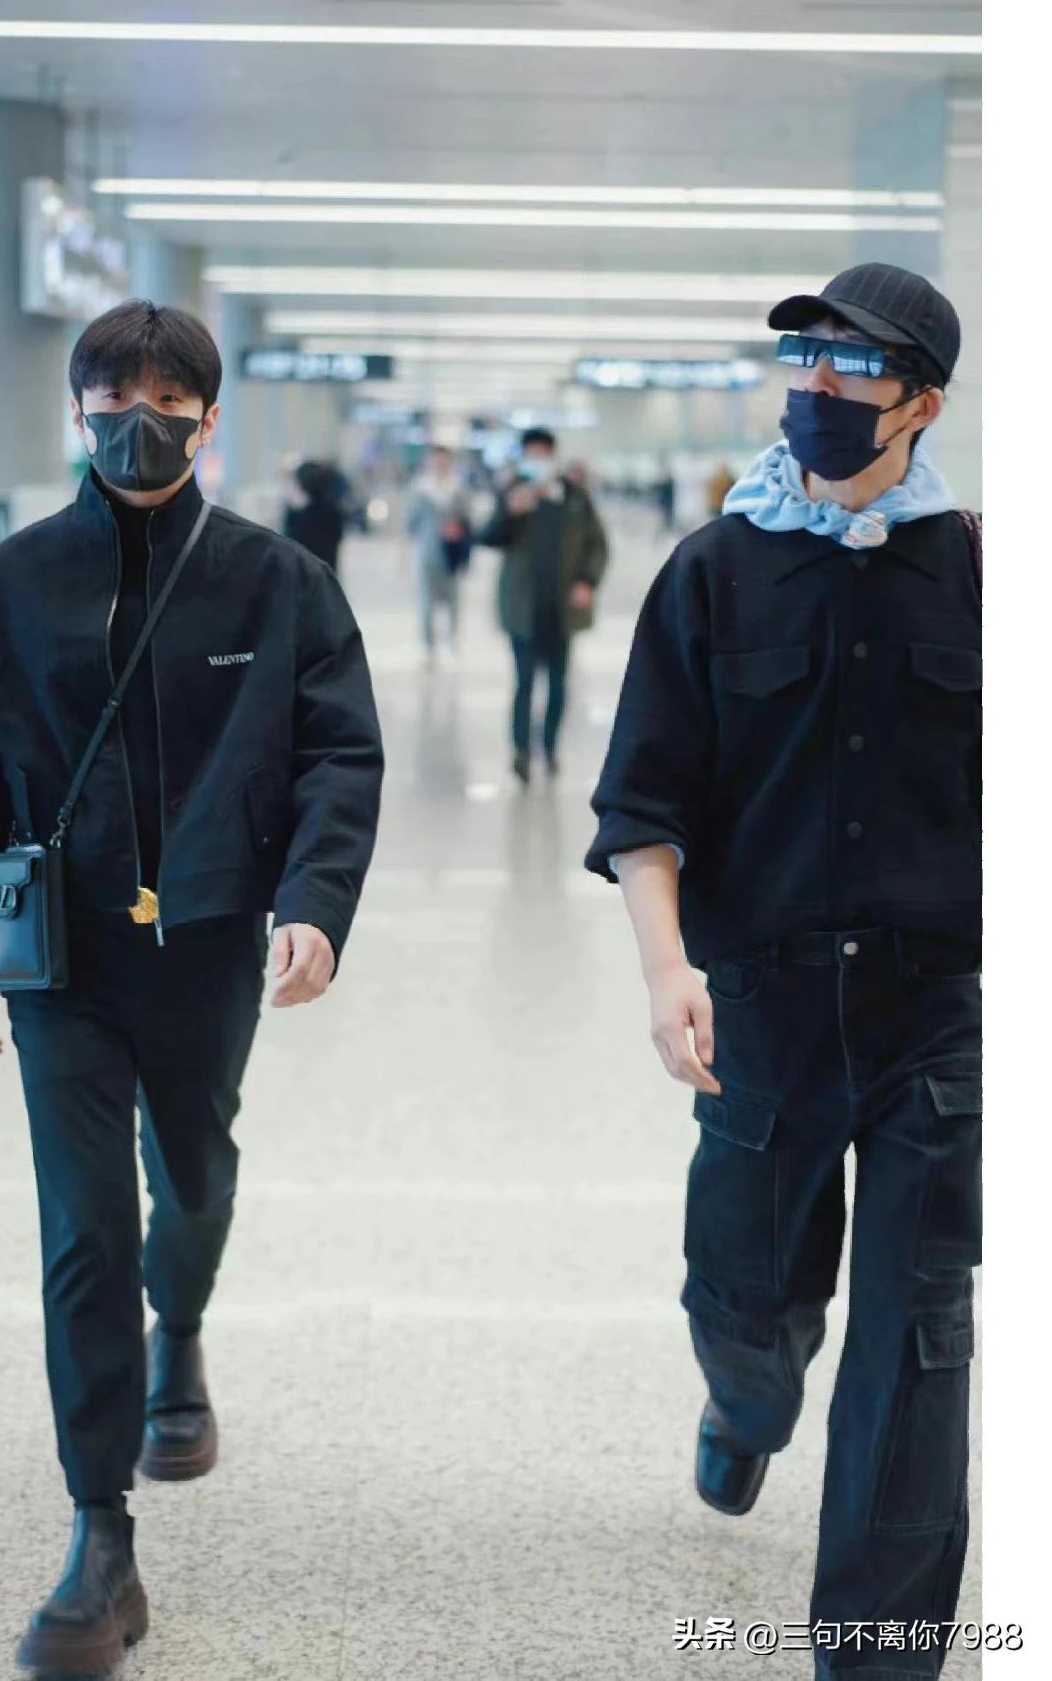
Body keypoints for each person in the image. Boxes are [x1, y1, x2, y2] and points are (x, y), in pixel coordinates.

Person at [0, 299, 384, 1677]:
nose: (141, 419)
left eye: (167, 398)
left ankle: (179, 1326)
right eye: (112, 396)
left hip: (207, 944)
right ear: (78, 413)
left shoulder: (279, 581)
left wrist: (313, 902)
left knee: (189, 1175)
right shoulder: (5, 585)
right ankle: (98, 1530)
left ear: (207, 416)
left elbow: (339, 753)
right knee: (83, 1226)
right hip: (63, 957)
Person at [586, 263, 979, 1678]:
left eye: (852, 368)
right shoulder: (714, 568)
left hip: (938, 1009)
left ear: (922, 404)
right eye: (802, 358)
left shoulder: (986, 571)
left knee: (919, 1334)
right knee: (744, 1298)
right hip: (760, 1001)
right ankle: (747, 1405)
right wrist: (664, 970)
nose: (815, 386)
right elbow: (643, 799)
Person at [481, 427, 608, 782]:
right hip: (523, 607)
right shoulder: (512, 493)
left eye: (542, 453)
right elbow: (488, 537)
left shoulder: (573, 495)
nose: (537, 460)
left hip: (561, 608)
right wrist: (511, 512)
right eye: (530, 454)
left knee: (557, 683)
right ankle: (521, 752)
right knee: (523, 682)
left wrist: (588, 581)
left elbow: (597, 543)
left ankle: (550, 748)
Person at [405, 444, 472, 662]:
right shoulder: (420, 488)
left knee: (453, 600)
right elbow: (411, 521)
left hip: (451, 552)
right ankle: (428, 645)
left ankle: (451, 641)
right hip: (428, 552)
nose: (440, 464)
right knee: (426, 600)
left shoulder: (459, 488)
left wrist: (458, 529)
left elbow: (468, 520)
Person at [282, 458, 345, 573]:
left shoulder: (295, 517)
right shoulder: (334, 513)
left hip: (303, 579)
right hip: (328, 577)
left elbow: (287, 546)